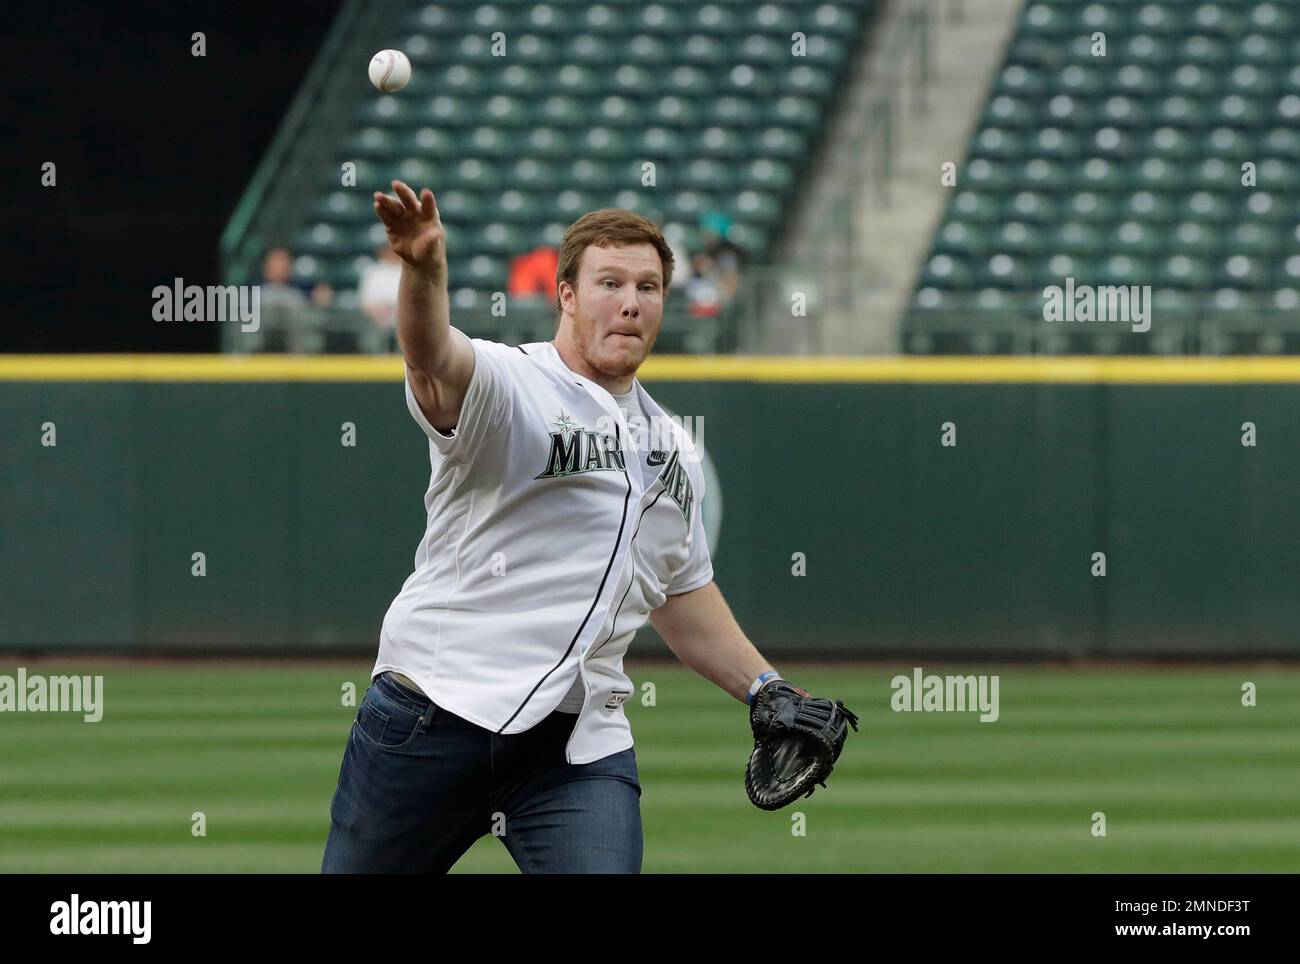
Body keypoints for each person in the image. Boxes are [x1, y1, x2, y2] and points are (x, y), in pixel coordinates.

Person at [321, 179, 807, 874]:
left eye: (648, 286)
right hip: (433, 715)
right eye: (609, 282)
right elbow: (433, 359)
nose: (631, 302)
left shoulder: (673, 448)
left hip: (576, 746)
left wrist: (766, 687)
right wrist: (424, 272)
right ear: (567, 296)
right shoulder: (510, 384)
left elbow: (676, 589)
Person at [357, 245, 402, 353]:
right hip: (378, 319)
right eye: (387, 250)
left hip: (404, 317)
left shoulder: (407, 270)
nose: (390, 253)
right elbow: (365, 301)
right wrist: (379, 313)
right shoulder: (372, 272)